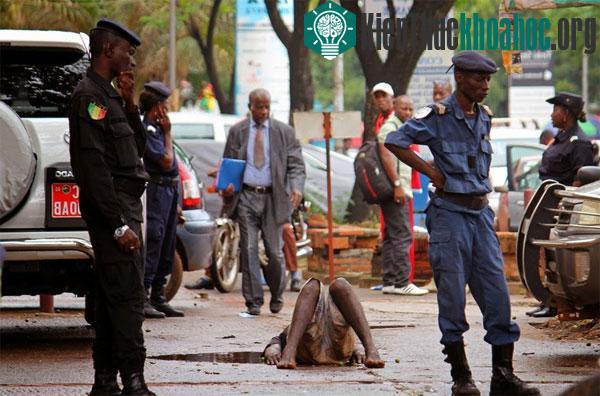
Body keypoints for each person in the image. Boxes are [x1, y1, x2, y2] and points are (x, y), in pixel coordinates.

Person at [384, 51, 540, 396]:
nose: (485, 86)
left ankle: (503, 376)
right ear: (460, 79)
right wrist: (430, 171)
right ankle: (462, 377)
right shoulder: (436, 116)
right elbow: (394, 141)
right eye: (478, 79)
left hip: (480, 214)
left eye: (488, 80)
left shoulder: (484, 116)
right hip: (449, 215)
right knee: (452, 297)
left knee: (498, 296)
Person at [68, 18, 154, 396]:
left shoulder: (110, 95)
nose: (131, 59)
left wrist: (130, 101)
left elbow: (136, 150)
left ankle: (105, 381)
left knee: (109, 297)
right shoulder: (89, 97)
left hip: (125, 206)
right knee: (126, 297)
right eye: (126, 51)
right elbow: (93, 167)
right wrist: (118, 224)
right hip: (113, 211)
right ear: (108, 51)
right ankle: (133, 381)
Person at [220, 88, 306, 316]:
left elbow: (296, 165)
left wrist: (296, 187)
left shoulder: (284, 132)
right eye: (259, 107)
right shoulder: (237, 131)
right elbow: (228, 163)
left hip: (273, 198)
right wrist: (227, 187)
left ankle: (277, 295)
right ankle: (254, 302)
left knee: (275, 252)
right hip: (246, 196)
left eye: (267, 107)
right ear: (250, 107)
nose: (264, 111)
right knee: (248, 249)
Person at [527, 92, 595, 319]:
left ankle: (557, 302)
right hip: (550, 204)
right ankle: (549, 299)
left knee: (557, 258)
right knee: (545, 255)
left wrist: (566, 203)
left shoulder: (580, 141)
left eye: (555, 109)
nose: (552, 114)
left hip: (563, 207)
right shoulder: (562, 137)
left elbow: (581, 179)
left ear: (566, 113)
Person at [263, 278, 385, 369]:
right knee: (312, 286)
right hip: (307, 349)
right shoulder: (300, 323)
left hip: (339, 346)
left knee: (341, 284)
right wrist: (273, 348)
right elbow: (279, 338)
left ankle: (371, 349)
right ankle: (290, 352)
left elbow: (351, 335)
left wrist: (358, 349)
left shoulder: (335, 316)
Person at [139, 81, 184, 319]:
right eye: (164, 105)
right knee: (155, 240)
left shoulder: (157, 128)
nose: (166, 110)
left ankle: (158, 296)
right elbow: (166, 162)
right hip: (156, 191)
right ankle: (144, 297)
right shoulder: (149, 130)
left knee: (167, 244)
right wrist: (167, 133)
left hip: (169, 192)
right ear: (156, 107)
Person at [377, 94, 427, 296]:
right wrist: (397, 184)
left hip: (397, 188)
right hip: (395, 189)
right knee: (402, 235)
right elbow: (386, 155)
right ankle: (401, 282)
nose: (407, 112)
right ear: (394, 107)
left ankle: (390, 281)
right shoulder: (390, 127)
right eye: (403, 108)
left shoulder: (400, 126)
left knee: (391, 235)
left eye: (410, 109)